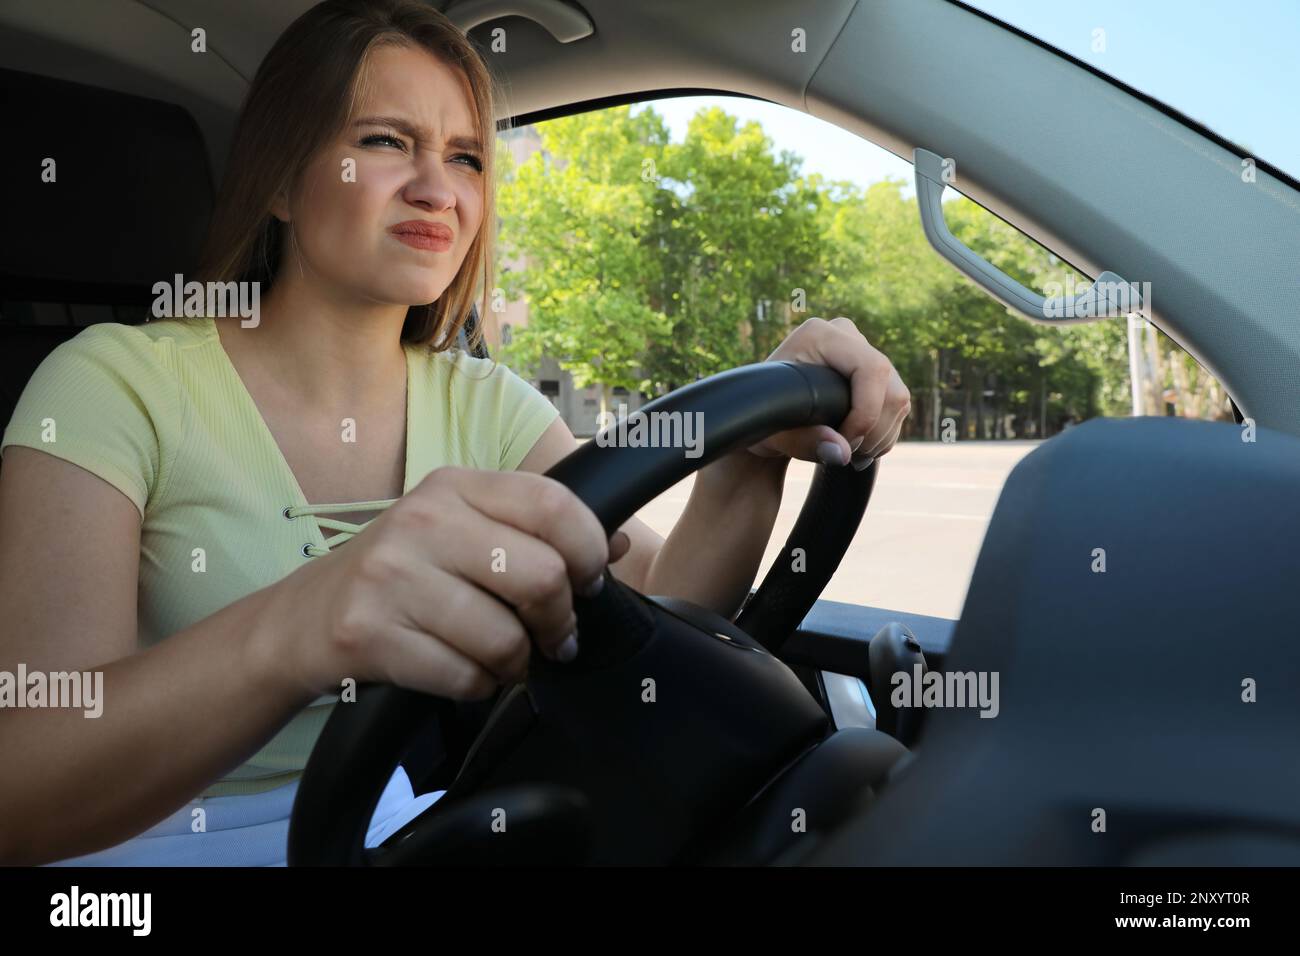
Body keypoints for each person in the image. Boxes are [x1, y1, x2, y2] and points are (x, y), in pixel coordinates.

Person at [0, 0, 911, 866]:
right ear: (281, 179)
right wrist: (299, 623)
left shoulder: (488, 403)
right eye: (386, 142)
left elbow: (663, 606)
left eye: (468, 158)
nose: (439, 187)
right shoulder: (112, 381)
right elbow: (26, 779)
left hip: (381, 827)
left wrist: (744, 464)